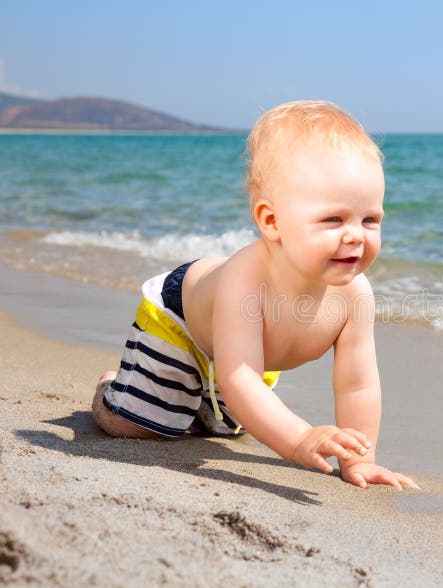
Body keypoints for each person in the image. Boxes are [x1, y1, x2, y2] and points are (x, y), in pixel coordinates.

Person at [91, 100, 418, 490]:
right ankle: (115, 388)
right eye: (333, 219)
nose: (355, 235)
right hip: (182, 320)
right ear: (272, 221)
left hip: (246, 355)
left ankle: (187, 397)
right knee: (140, 425)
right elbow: (239, 379)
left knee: (223, 429)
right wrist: (299, 439)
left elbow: (357, 383)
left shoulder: (355, 296)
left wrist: (360, 460)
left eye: (370, 219)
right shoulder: (244, 278)